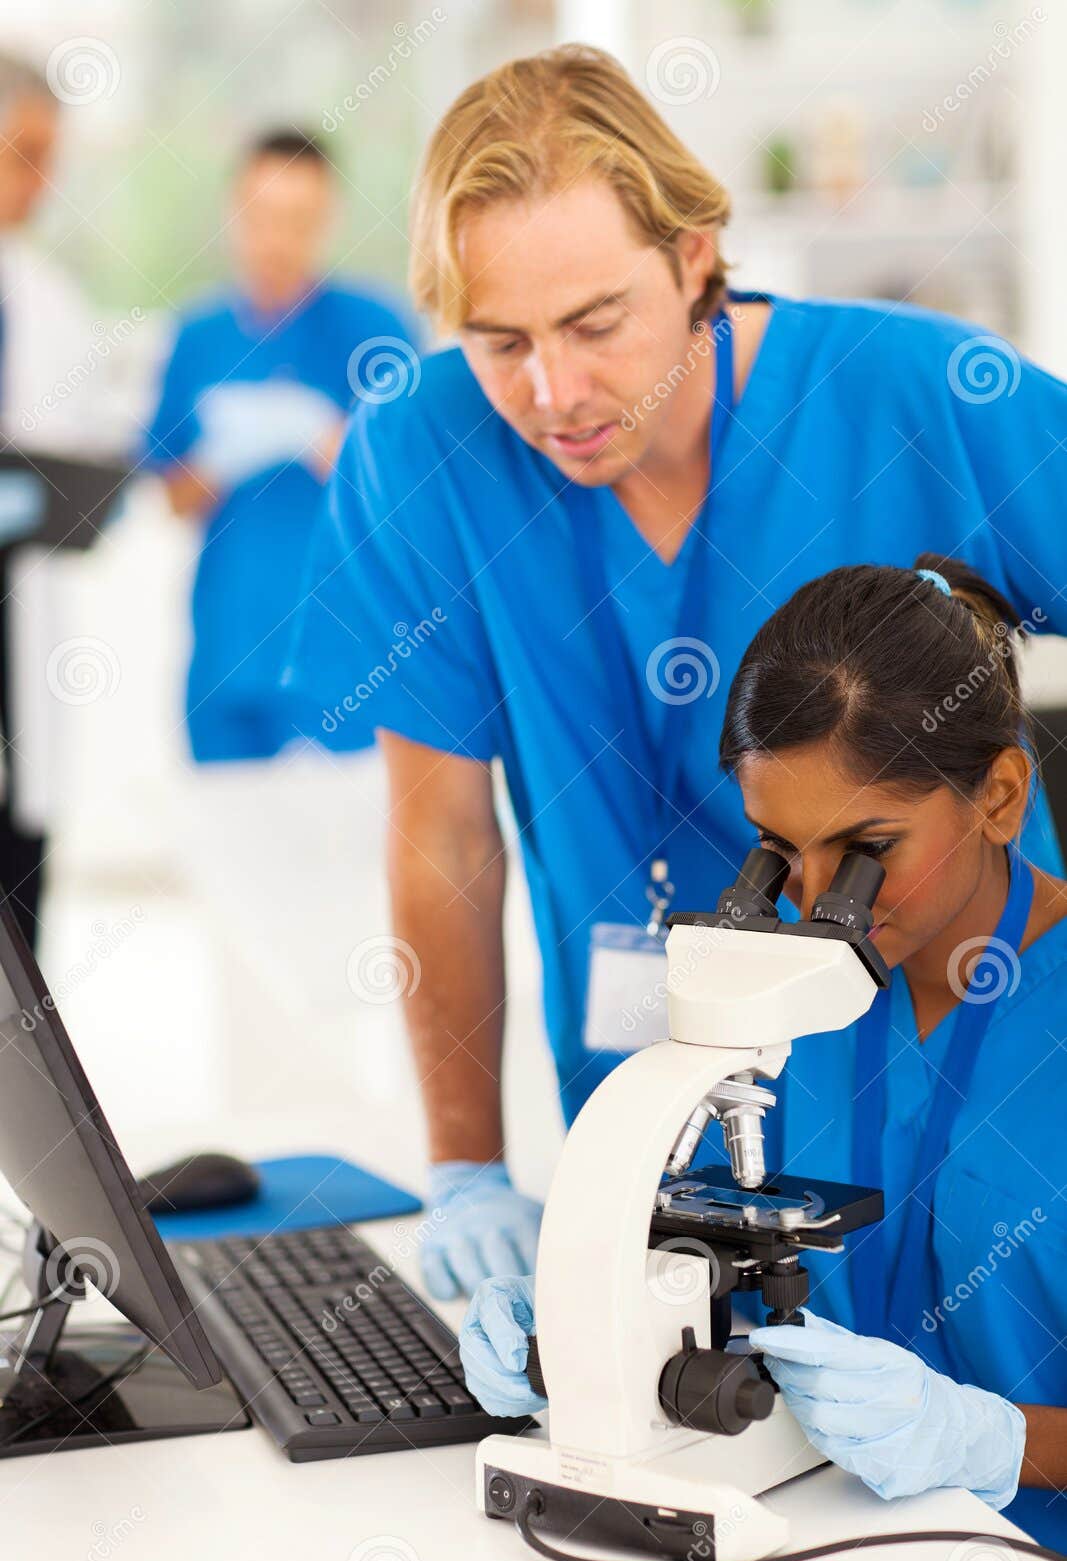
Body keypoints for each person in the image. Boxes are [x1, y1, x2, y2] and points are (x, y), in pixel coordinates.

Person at [282, 45, 1067, 1301]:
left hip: (972, 1106)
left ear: (694, 255)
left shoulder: (915, 395)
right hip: (650, 1127)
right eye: (498, 342)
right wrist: (464, 1170)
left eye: (596, 323)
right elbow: (440, 833)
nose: (555, 393)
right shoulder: (420, 455)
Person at [458, 555, 1067, 1552]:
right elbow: (715, 1249)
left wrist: (986, 1441)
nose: (815, 903)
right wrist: (580, 1300)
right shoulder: (784, 999)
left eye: (866, 852)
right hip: (806, 1543)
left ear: (997, 796)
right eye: (778, 851)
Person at [142, 128, 418, 762]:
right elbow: (173, 498)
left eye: (299, 219)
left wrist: (324, 439)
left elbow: (410, 492)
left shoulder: (375, 329)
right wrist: (216, 462)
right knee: (226, 847)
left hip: (343, 659)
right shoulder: (197, 337)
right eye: (262, 216)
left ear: (328, 219)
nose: (277, 239)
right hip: (228, 652)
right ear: (233, 212)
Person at [0, 51, 125, 948]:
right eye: (24, 152)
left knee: (17, 881)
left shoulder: (50, 300)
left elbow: (86, 459)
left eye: (51, 156)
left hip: (20, 621)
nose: (41, 180)